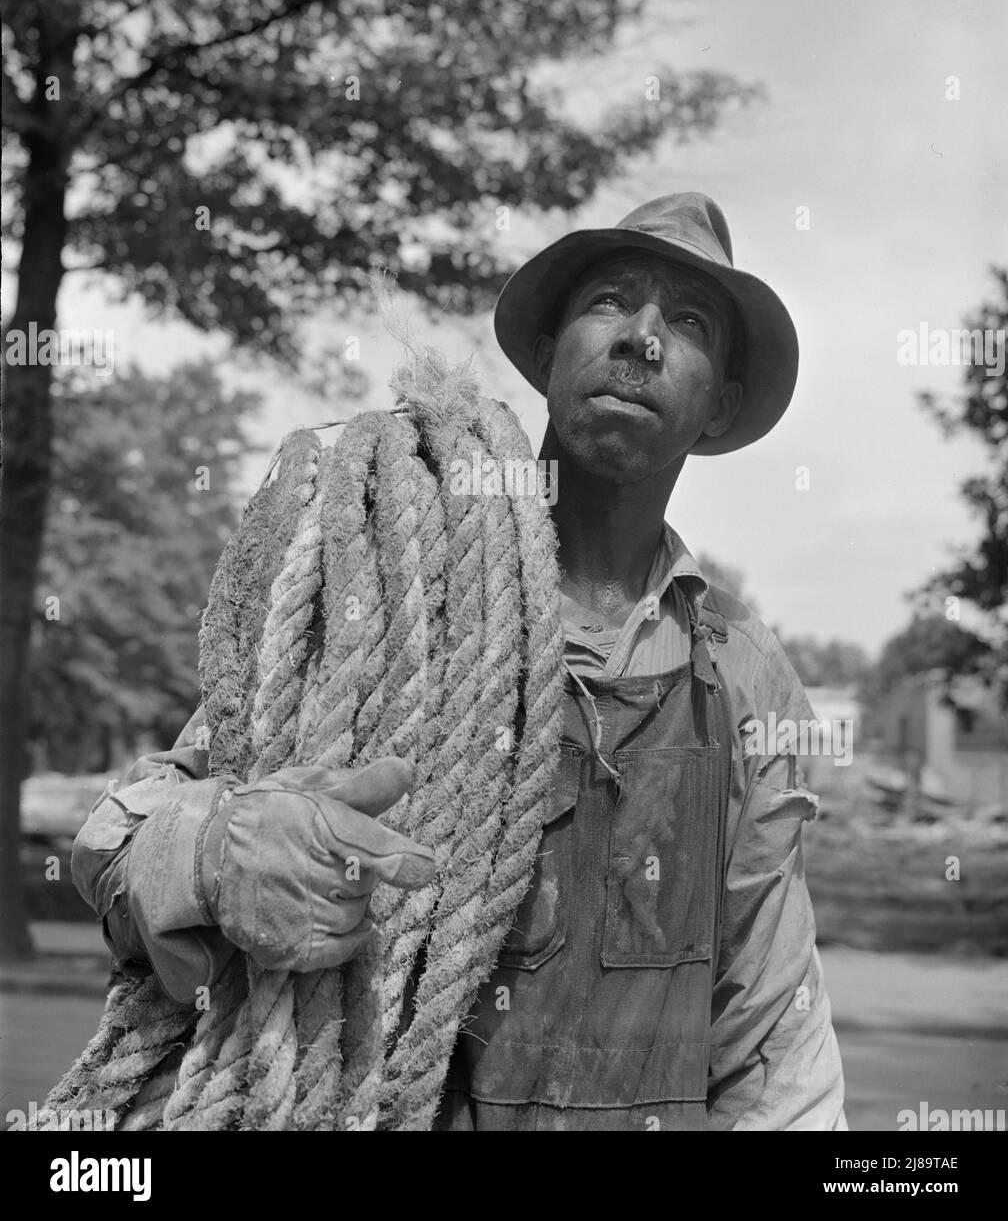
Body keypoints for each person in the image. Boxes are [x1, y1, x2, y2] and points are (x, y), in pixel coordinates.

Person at [71, 191, 846, 1130]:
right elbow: (117, 841)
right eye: (610, 302)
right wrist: (208, 855)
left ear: (719, 398)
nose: (643, 338)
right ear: (552, 352)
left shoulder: (744, 677)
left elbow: (774, 1033)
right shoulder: (399, 595)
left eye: (687, 323)